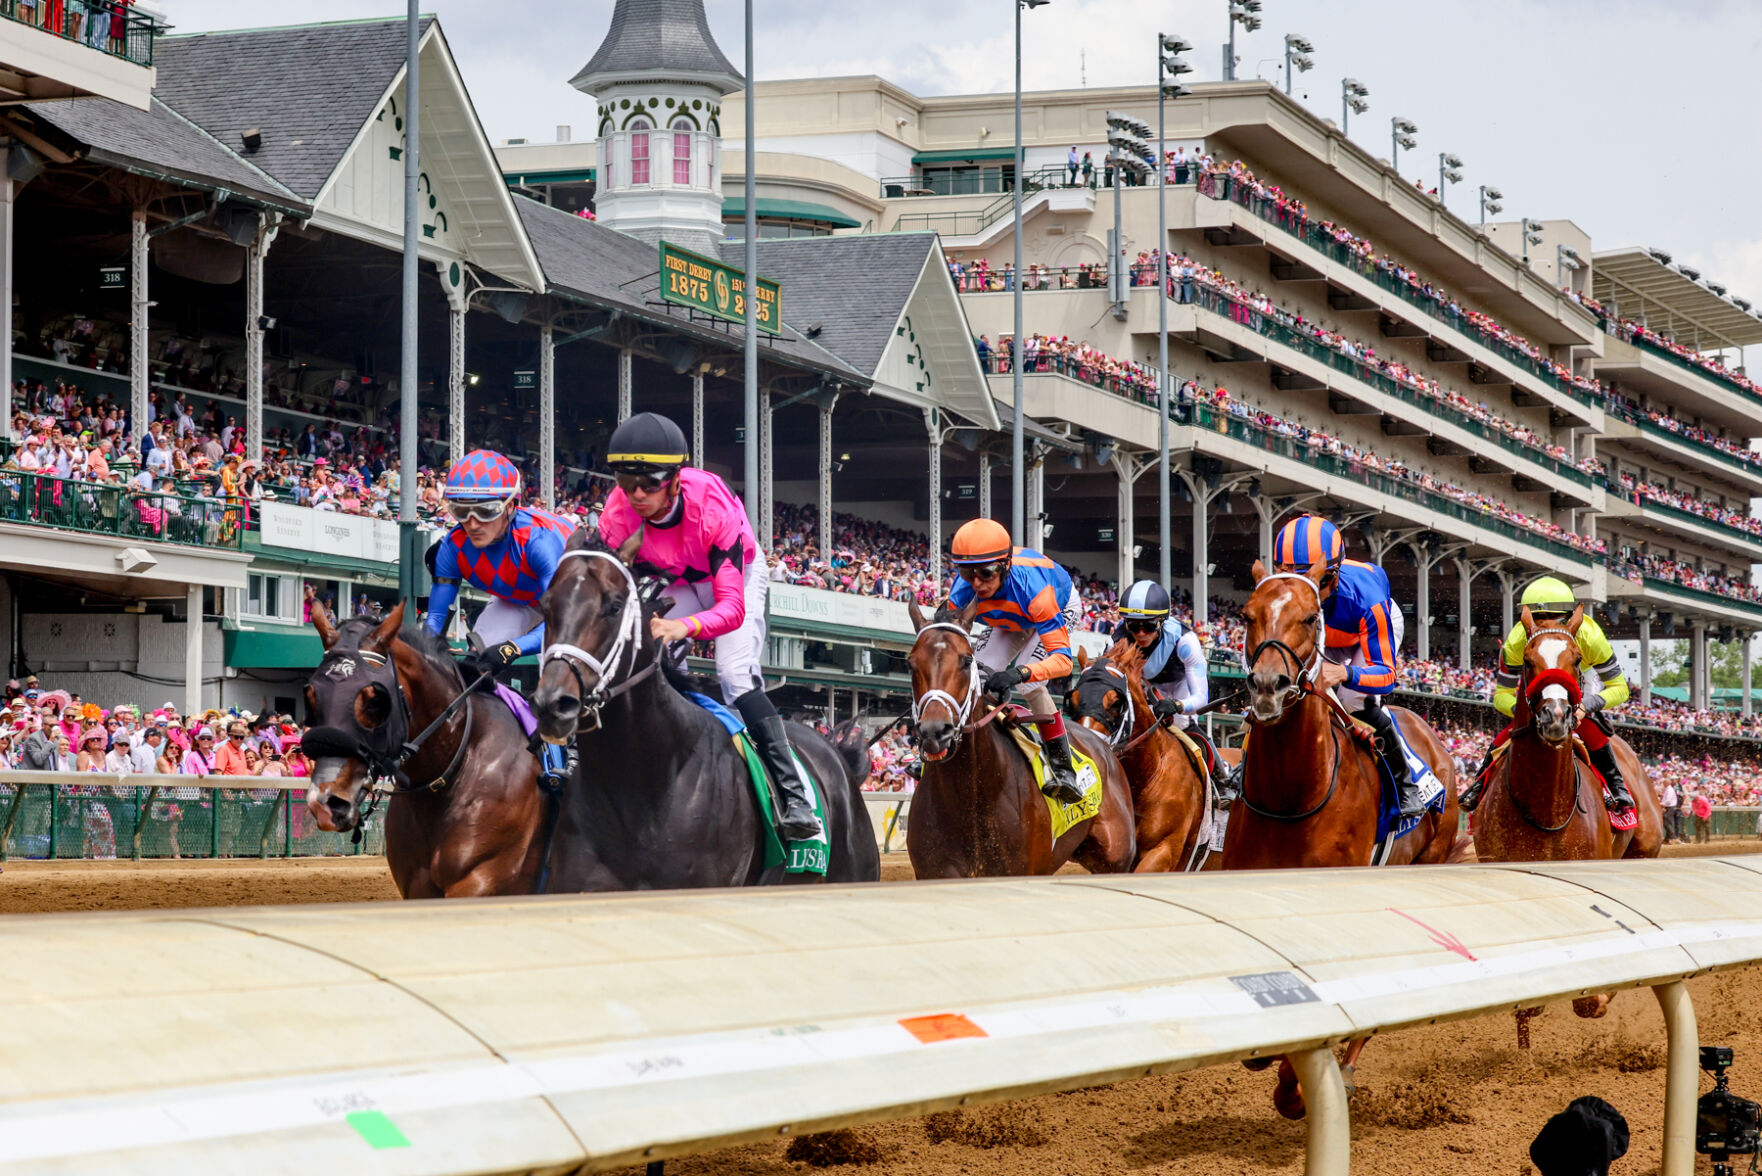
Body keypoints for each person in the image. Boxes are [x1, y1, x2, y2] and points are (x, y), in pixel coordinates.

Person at [596, 412, 822, 841]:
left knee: (734, 675)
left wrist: (683, 630)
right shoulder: (616, 515)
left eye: (649, 484)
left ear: (676, 479)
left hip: (734, 579)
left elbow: (731, 610)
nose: (636, 495)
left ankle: (794, 797)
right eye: (626, 483)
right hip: (676, 578)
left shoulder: (712, 509)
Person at [421, 448, 577, 783]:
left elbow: (560, 624)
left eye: (486, 511)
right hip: (517, 598)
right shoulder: (452, 546)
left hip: (568, 605)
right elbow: (435, 620)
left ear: (510, 506)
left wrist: (513, 649)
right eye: (461, 510)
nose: (473, 523)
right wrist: (426, 648)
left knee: (554, 663)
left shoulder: (537, 542)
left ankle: (568, 749)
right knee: (478, 659)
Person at [1265, 515, 1425, 817]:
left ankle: (1405, 785)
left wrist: (1345, 673)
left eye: (1316, 582)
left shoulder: (1369, 601)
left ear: (1333, 578)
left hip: (1364, 629)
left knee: (1353, 700)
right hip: (1323, 628)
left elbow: (1388, 675)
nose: (1303, 593)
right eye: (1290, 582)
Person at [946, 517, 1087, 803]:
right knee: (978, 676)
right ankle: (948, 744)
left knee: (1031, 686)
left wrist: (1019, 673)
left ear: (1005, 566)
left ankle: (1063, 767)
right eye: (965, 572)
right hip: (1010, 619)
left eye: (986, 573)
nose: (976, 583)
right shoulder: (962, 592)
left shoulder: (1036, 592)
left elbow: (1062, 662)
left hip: (1055, 607)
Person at [1465, 577, 1634, 814]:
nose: (1547, 624)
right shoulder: (1515, 643)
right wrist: (1524, 712)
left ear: (1570, 616)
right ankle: (1479, 783)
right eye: (1537, 618)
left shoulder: (1590, 637)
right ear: (1526, 619)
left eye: (1558, 617)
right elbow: (1501, 695)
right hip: (1539, 683)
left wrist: (1585, 706)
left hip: (1580, 676)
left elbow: (1620, 688)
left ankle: (1616, 786)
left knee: (1587, 728)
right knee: (1513, 731)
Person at [1111, 579, 1217, 771]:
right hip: (1149, 685)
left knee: (1181, 721)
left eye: (1149, 626)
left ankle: (1220, 776)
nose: (1141, 633)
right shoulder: (1117, 641)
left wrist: (1178, 705)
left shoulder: (1185, 641)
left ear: (1162, 621)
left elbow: (1202, 698)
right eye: (1134, 626)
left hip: (1182, 684)